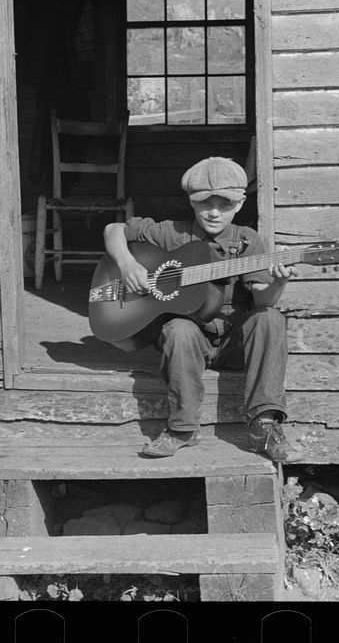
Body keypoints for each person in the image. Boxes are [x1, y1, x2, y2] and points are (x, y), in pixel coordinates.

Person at [103, 156, 302, 463]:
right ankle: (182, 429)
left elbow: (263, 301)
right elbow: (114, 229)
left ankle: (264, 426)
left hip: (234, 341)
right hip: (190, 340)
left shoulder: (247, 242)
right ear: (191, 202)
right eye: (204, 203)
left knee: (271, 319)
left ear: (239, 205)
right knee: (177, 329)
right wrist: (128, 264)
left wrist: (278, 284)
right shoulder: (172, 234)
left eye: (224, 205)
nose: (213, 212)